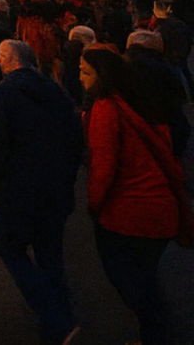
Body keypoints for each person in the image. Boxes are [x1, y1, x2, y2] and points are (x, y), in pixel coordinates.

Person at [79, 46, 192, 345]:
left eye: (85, 72)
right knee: (145, 276)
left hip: (128, 214)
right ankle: (153, 330)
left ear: (102, 76)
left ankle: (156, 331)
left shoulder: (105, 108)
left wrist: (94, 203)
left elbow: (104, 165)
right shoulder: (140, 102)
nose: (80, 78)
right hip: (162, 209)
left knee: (126, 278)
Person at [0, 39, 83, 345]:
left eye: (1, 56)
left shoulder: (2, 95)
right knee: (50, 252)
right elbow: (75, 138)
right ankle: (60, 315)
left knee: (11, 250)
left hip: (19, 191)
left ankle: (54, 315)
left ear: (12, 60)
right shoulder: (53, 91)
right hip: (54, 189)